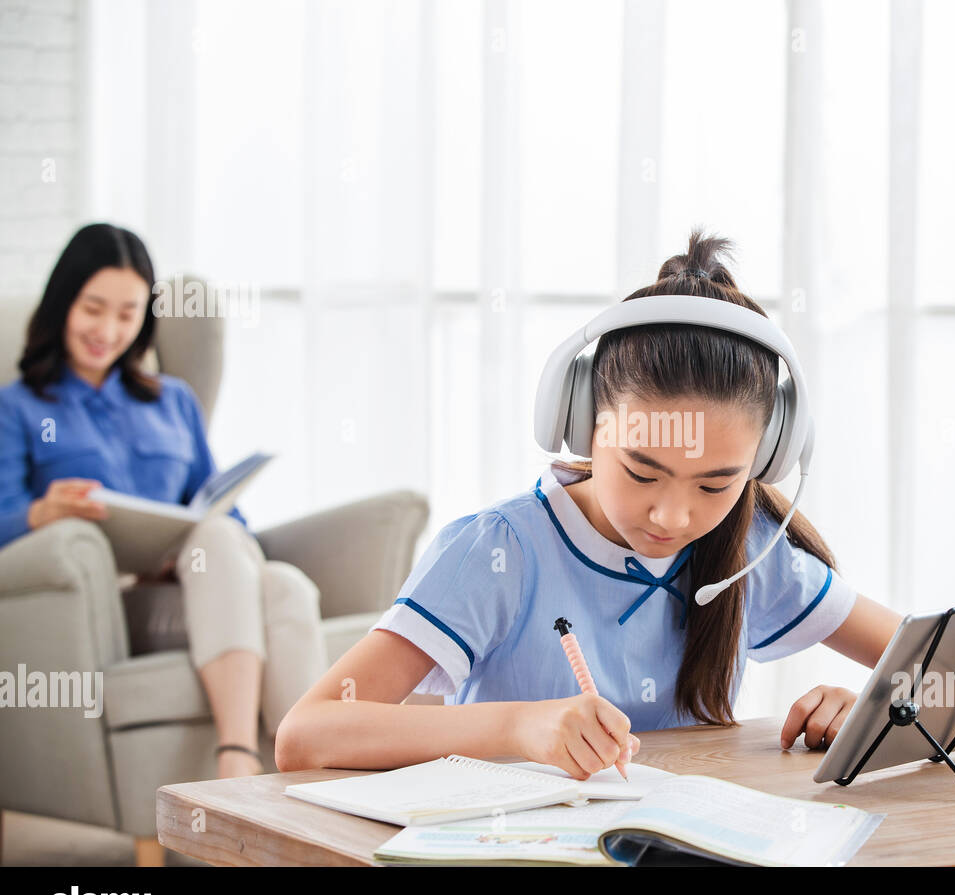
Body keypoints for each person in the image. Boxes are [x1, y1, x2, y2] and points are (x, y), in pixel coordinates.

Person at [275, 228, 903, 777]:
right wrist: (520, 728)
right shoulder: (499, 551)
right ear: (582, 424)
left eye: (715, 484)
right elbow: (307, 734)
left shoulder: (748, 546)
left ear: (764, 462)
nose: (674, 518)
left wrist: (875, 716)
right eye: (641, 471)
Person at [0, 222, 328, 779]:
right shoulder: (21, 407)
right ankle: (237, 758)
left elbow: (218, 505)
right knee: (243, 561)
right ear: (63, 305)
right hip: (113, 605)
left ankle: (311, 783)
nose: (107, 329)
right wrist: (40, 513)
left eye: (126, 314)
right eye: (93, 308)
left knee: (283, 582)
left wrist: (205, 543)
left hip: (199, 581)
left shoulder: (173, 400)